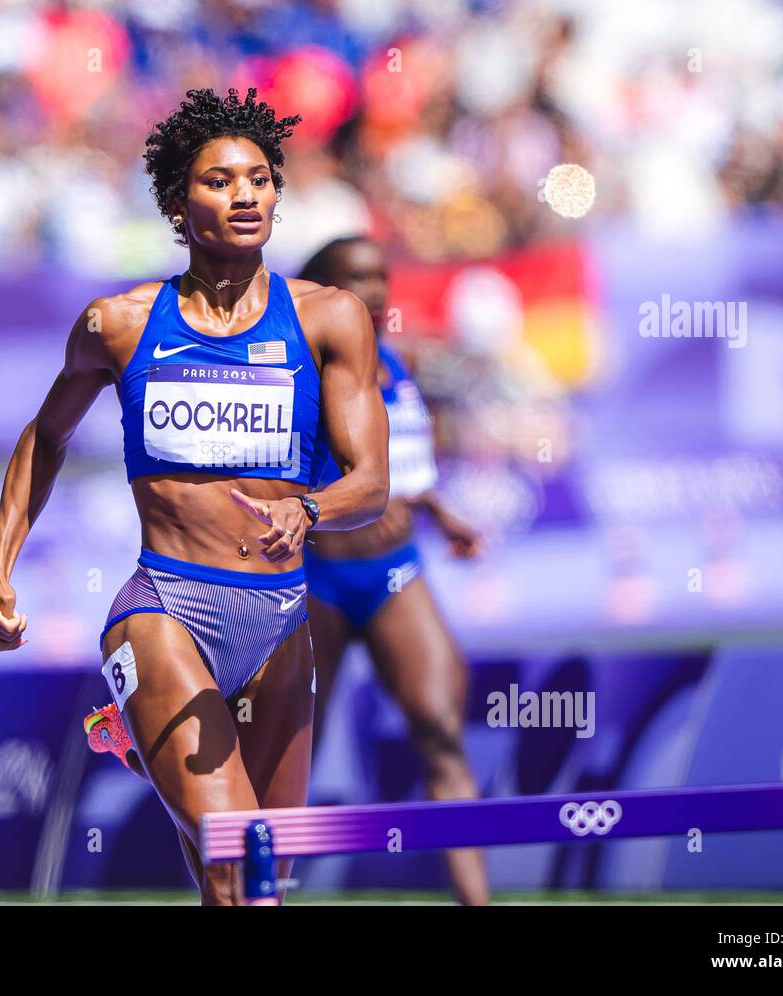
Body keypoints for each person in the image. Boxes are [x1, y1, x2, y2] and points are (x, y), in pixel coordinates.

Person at [0, 88, 388, 906]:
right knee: (235, 861)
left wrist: (307, 510)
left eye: (261, 179)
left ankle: (136, 740)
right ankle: (139, 705)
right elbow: (45, 437)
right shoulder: (120, 324)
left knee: (258, 883)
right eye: (220, 181)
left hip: (280, 622)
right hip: (166, 606)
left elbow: (370, 483)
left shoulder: (331, 320)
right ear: (175, 202)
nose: (245, 195)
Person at [299, 235, 490, 906]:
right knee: (291, 754)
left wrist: (442, 510)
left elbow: (397, 471)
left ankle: (478, 904)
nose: (375, 291)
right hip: (311, 581)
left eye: (380, 276)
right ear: (319, 288)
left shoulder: (396, 364)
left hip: (394, 571)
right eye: (355, 278)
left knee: (440, 730)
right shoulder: (300, 365)